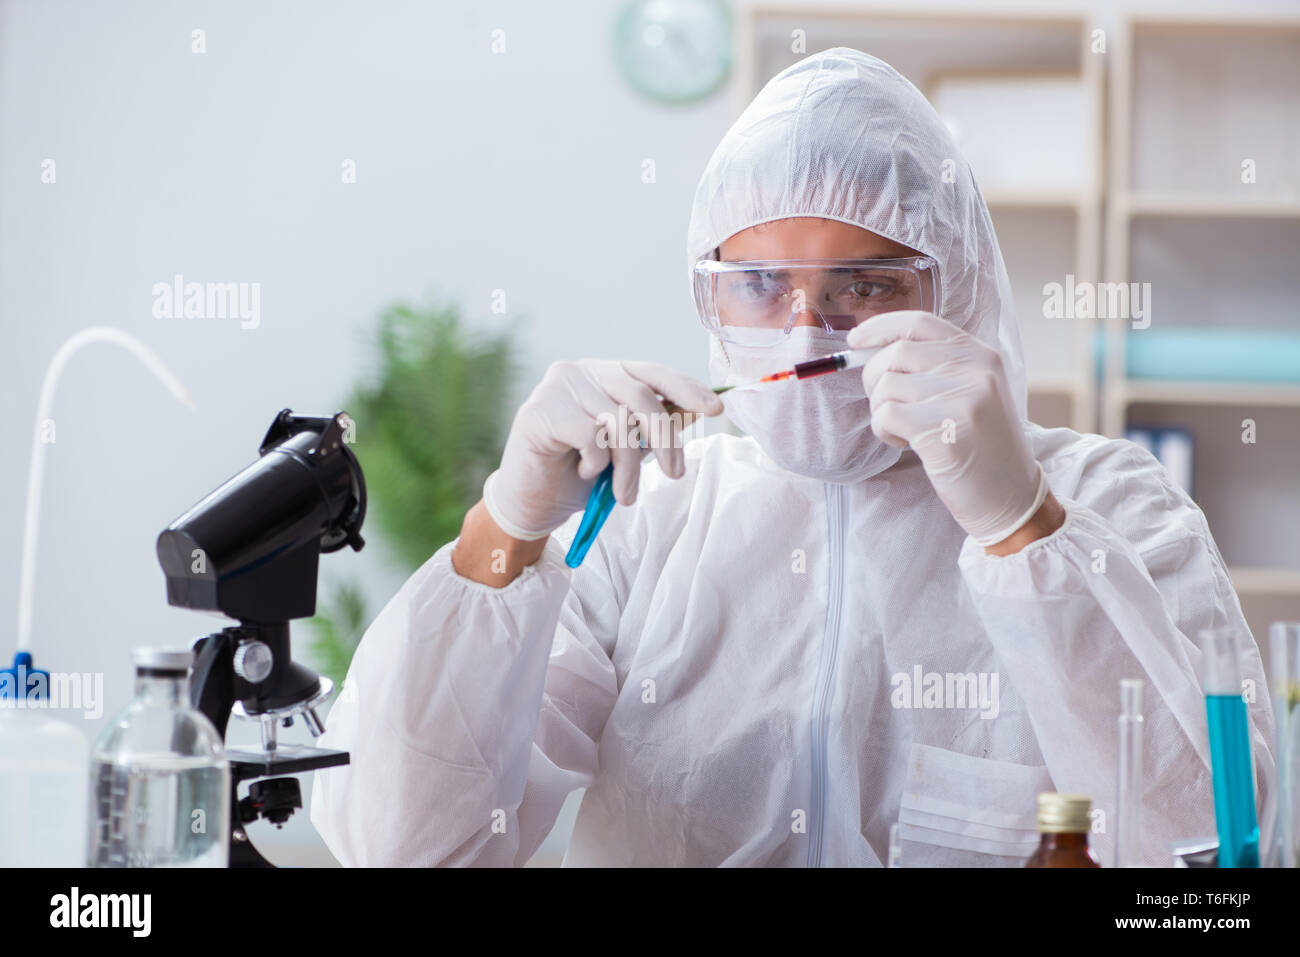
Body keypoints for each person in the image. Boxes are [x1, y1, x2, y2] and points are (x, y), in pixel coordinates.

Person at [310, 48, 1274, 866]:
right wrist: (507, 527)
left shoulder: (1113, 502)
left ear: (957, 288)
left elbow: (1215, 857)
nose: (808, 333)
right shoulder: (647, 518)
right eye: (761, 283)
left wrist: (1023, 527)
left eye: (865, 285)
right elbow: (405, 846)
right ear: (710, 294)